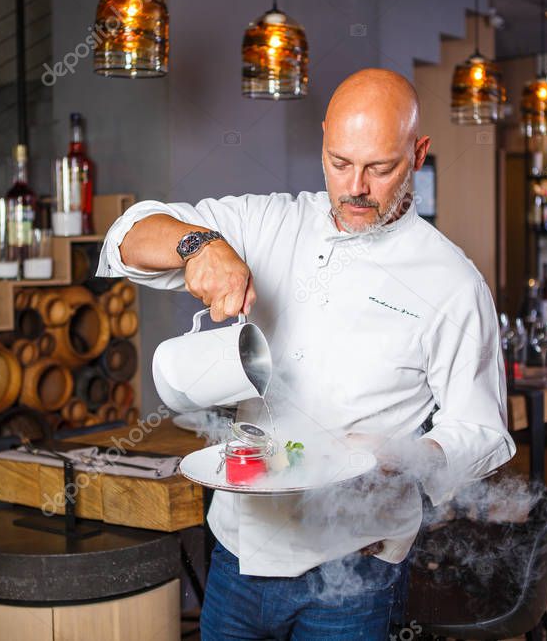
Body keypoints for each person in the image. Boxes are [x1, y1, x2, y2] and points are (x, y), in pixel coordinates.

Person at [98, 68, 515, 639]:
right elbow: (126, 234)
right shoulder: (269, 222)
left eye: (380, 167)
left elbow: (484, 431)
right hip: (240, 554)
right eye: (340, 162)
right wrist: (199, 244)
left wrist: (404, 455)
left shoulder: (452, 283)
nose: (355, 188)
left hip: (356, 566)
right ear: (322, 140)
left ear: (418, 154)